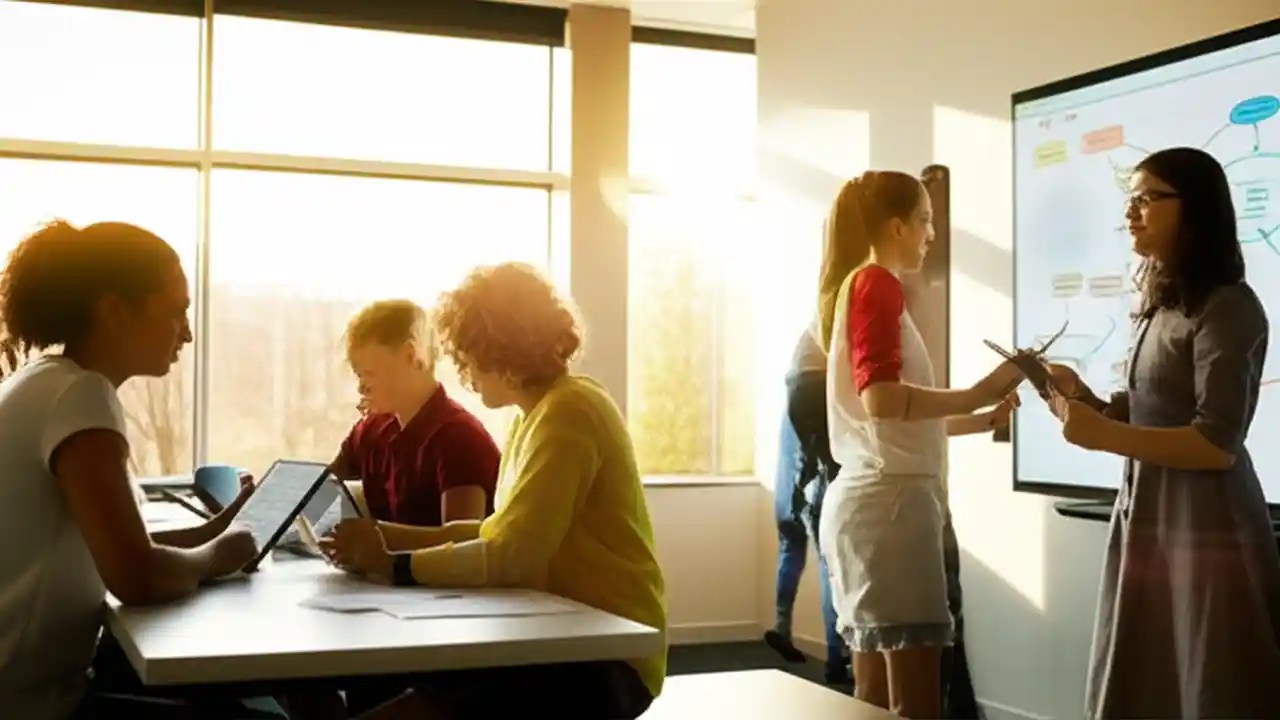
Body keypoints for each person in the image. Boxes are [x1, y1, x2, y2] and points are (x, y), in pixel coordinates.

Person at [321, 262, 666, 719]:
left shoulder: (571, 413)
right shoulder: (534, 415)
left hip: (605, 653)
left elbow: (513, 556)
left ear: (499, 347)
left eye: (467, 353)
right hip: (556, 631)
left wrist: (393, 563)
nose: (463, 369)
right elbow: (495, 530)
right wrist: (385, 535)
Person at [1043, 147, 1280, 719]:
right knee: (1148, 681)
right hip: (1149, 518)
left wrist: (1102, 434)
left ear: (1194, 208)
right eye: (1131, 199)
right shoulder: (1162, 304)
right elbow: (1154, 410)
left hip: (1206, 529)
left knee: (1207, 683)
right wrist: (1086, 402)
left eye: (1147, 198)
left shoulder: (1228, 307)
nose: (1132, 212)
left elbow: (1214, 442)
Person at [0, 220, 260, 719]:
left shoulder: (44, 381)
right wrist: (215, 557)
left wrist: (214, 532)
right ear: (114, 311)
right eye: (176, 313)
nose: (187, 333)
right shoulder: (81, 396)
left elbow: (120, 545)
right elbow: (135, 575)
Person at [816, 171, 1021, 718]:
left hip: (872, 504)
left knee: (874, 704)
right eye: (927, 219)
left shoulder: (855, 287)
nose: (933, 233)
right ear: (897, 225)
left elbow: (888, 422)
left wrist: (980, 416)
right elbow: (883, 400)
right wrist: (977, 391)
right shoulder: (877, 283)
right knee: (916, 705)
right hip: (892, 509)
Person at [329, 299, 500, 527]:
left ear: (410, 356)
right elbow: (317, 493)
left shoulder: (460, 439)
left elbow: (462, 544)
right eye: (359, 375)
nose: (361, 388)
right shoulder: (371, 430)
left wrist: (376, 540)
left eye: (369, 374)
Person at [763, 322, 849, 686]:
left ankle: (782, 626)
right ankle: (836, 656)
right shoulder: (820, 388)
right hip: (810, 485)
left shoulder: (791, 402)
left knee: (791, 548)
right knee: (830, 561)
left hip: (787, 492)